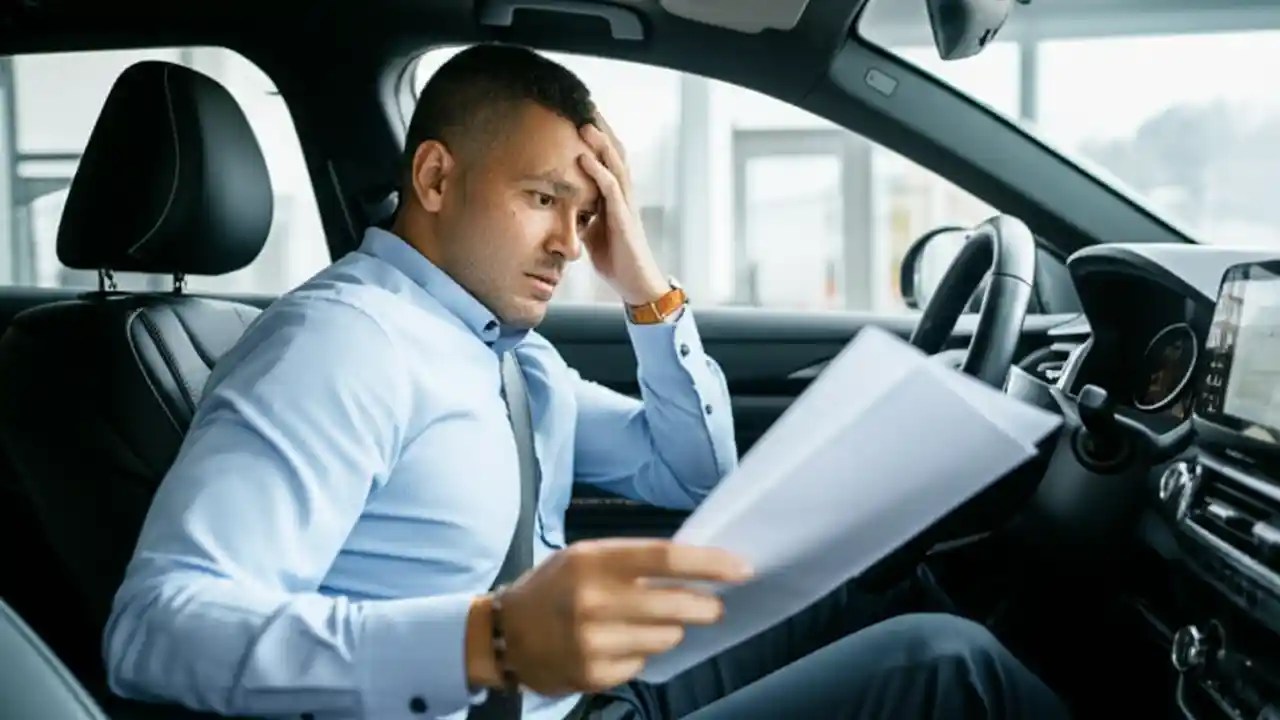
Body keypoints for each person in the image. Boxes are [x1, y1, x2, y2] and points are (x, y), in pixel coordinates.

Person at [102, 42, 1070, 720]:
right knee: (949, 668)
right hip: (490, 700)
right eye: (540, 200)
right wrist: (491, 642)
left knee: (870, 603)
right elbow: (156, 632)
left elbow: (686, 476)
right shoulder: (344, 346)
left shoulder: (498, 347)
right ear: (434, 179)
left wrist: (641, 283)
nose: (570, 242)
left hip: (567, 697)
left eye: (589, 209)